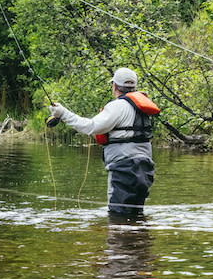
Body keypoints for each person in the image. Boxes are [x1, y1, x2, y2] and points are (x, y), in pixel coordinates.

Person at [48, 68, 158, 219]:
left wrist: (63, 114)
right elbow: (119, 133)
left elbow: (91, 127)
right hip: (144, 168)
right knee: (134, 215)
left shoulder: (117, 106)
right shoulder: (140, 108)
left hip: (123, 169)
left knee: (118, 216)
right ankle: (137, 241)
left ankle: (122, 241)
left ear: (114, 86)